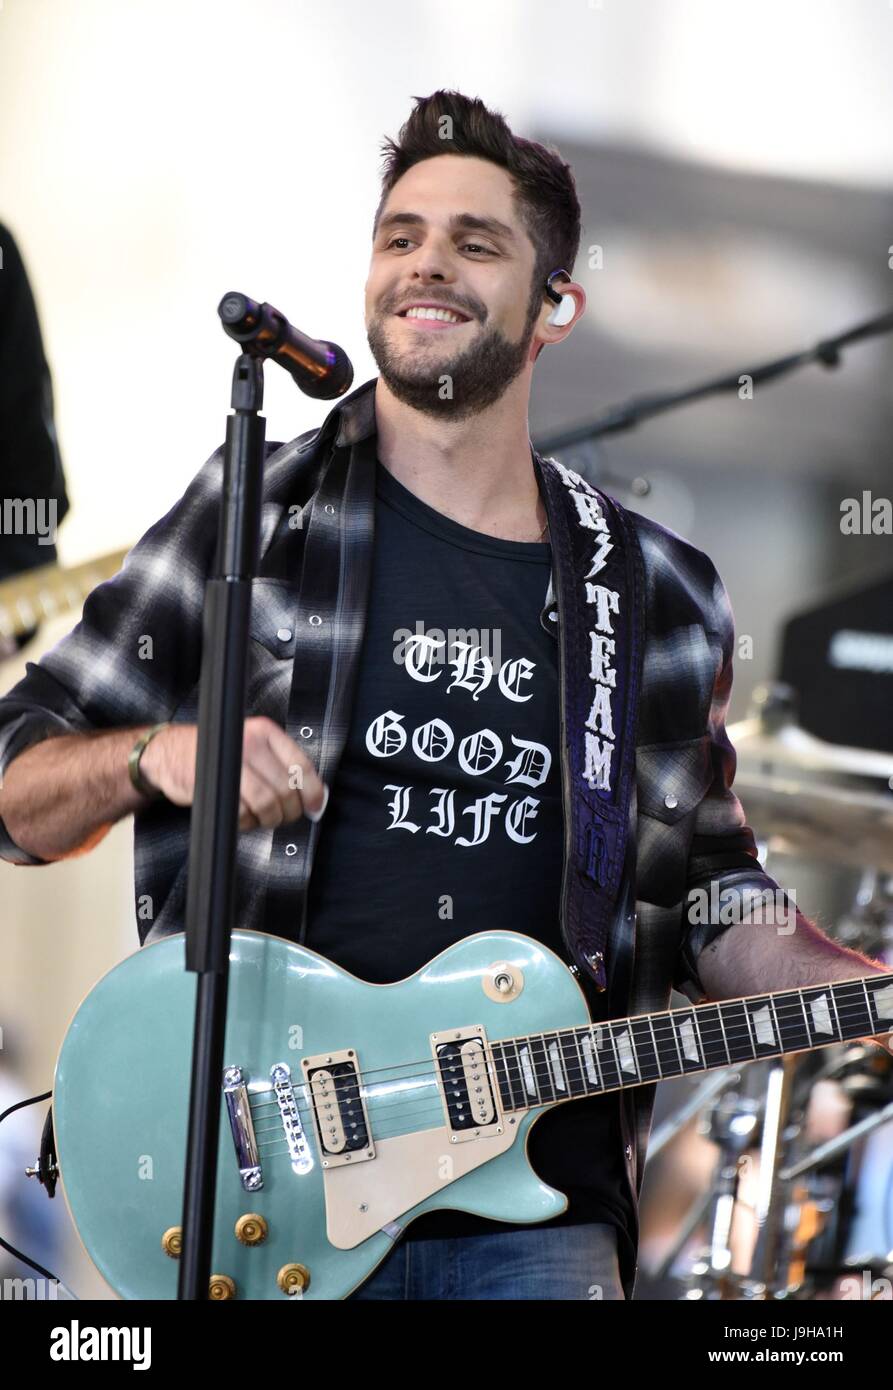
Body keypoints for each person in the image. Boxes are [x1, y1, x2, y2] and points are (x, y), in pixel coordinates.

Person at [0, 91, 887, 1302]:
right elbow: (18, 782)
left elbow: (710, 894)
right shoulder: (259, 510)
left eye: (475, 242)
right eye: (399, 234)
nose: (425, 261)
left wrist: (850, 989)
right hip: (263, 1187)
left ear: (553, 306)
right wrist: (154, 755)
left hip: (538, 1205)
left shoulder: (657, 590)